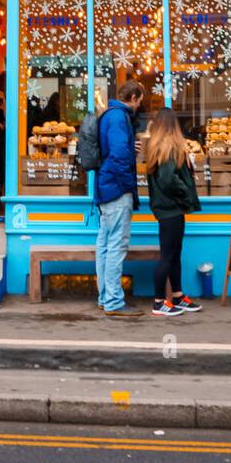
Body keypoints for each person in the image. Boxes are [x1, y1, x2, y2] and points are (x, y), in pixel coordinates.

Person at [95, 81, 146, 316]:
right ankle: (114, 301)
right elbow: (116, 157)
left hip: (106, 187)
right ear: (134, 96)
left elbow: (115, 151)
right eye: (140, 100)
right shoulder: (118, 117)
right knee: (116, 245)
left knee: (105, 245)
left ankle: (105, 297)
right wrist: (128, 187)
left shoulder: (110, 115)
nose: (140, 105)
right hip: (116, 189)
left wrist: (128, 148)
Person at [146, 108, 203, 316]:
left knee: (174, 255)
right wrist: (186, 194)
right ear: (173, 125)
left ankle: (177, 296)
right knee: (168, 256)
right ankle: (159, 301)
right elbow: (169, 180)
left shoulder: (159, 147)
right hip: (171, 208)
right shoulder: (169, 148)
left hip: (168, 208)